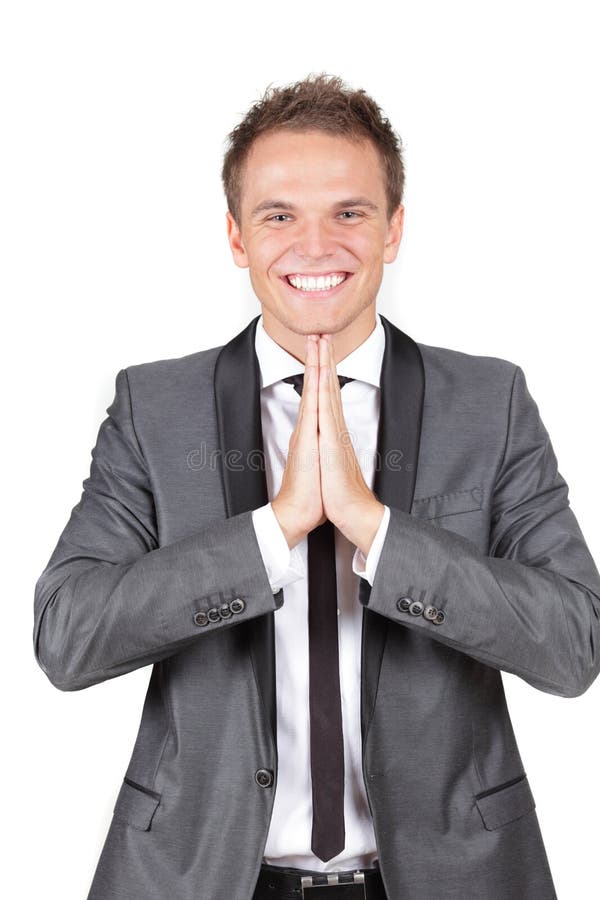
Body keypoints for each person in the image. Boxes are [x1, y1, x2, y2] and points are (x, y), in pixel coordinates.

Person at [33, 73, 600, 900]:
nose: (315, 245)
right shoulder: (154, 409)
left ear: (394, 228)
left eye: (349, 212)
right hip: (204, 877)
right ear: (236, 236)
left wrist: (377, 529)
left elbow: (574, 643)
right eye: (278, 215)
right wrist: (276, 529)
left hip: (448, 878)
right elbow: (68, 636)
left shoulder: (491, 403)